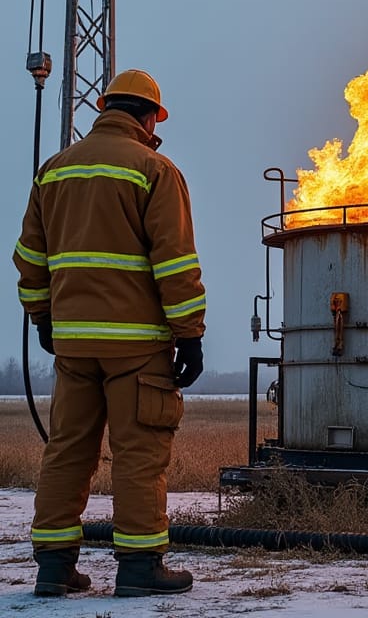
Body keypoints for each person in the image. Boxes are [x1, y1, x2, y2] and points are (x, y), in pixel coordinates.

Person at [13, 68, 206, 598]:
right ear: (147, 118)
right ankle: (141, 567)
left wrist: (44, 319)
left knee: (67, 451)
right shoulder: (154, 169)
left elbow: (30, 259)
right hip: (137, 348)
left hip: (74, 346)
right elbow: (174, 261)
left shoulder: (54, 170)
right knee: (139, 453)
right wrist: (189, 335)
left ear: (105, 110)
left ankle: (53, 568)